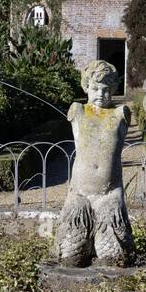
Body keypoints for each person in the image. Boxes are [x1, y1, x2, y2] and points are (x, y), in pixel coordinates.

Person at [54, 60, 133, 266]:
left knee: (113, 258)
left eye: (107, 90)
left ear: (114, 89)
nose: (101, 94)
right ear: (86, 87)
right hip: (80, 195)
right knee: (71, 257)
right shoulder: (78, 111)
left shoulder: (120, 114)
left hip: (109, 196)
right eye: (96, 88)